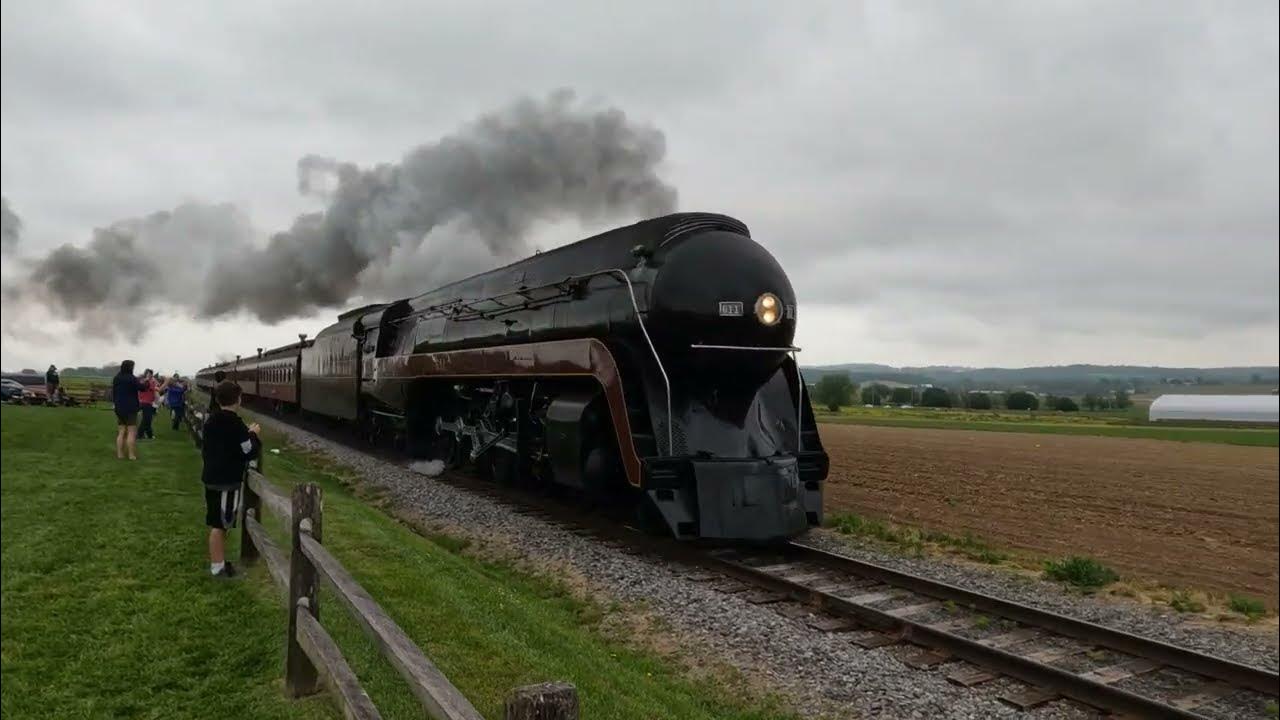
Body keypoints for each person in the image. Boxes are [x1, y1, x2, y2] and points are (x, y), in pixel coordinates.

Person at [201, 381, 261, 579]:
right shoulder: (235, 424)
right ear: (239, 400)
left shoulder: (211, 420)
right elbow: (248, 451)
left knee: (217, 522)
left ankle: (219, 562)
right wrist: (253, 435)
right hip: (226, 481)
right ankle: (218, 568)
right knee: (221, 525)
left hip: (211, 478)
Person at [111, 360, 142, 460]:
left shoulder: (117, 378)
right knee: (131, 432)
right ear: (130, 367)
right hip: (131, 408)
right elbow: (142, 388)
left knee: (121, 432)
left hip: (119, 407)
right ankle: (131, 455)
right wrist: (146, 382)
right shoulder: (132, 378)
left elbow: (114, 392)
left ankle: (120, 454)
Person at [137, 369, 159, 440]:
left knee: (148, 420)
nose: (149, 375)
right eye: (148, 374)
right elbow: (157, 389)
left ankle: (150, 435)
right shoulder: (147, 382)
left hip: (146, 402)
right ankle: (140, 435)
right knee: (146, 419)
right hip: (145, 403)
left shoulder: (148, 381)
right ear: (145, 374)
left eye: (150, 374)